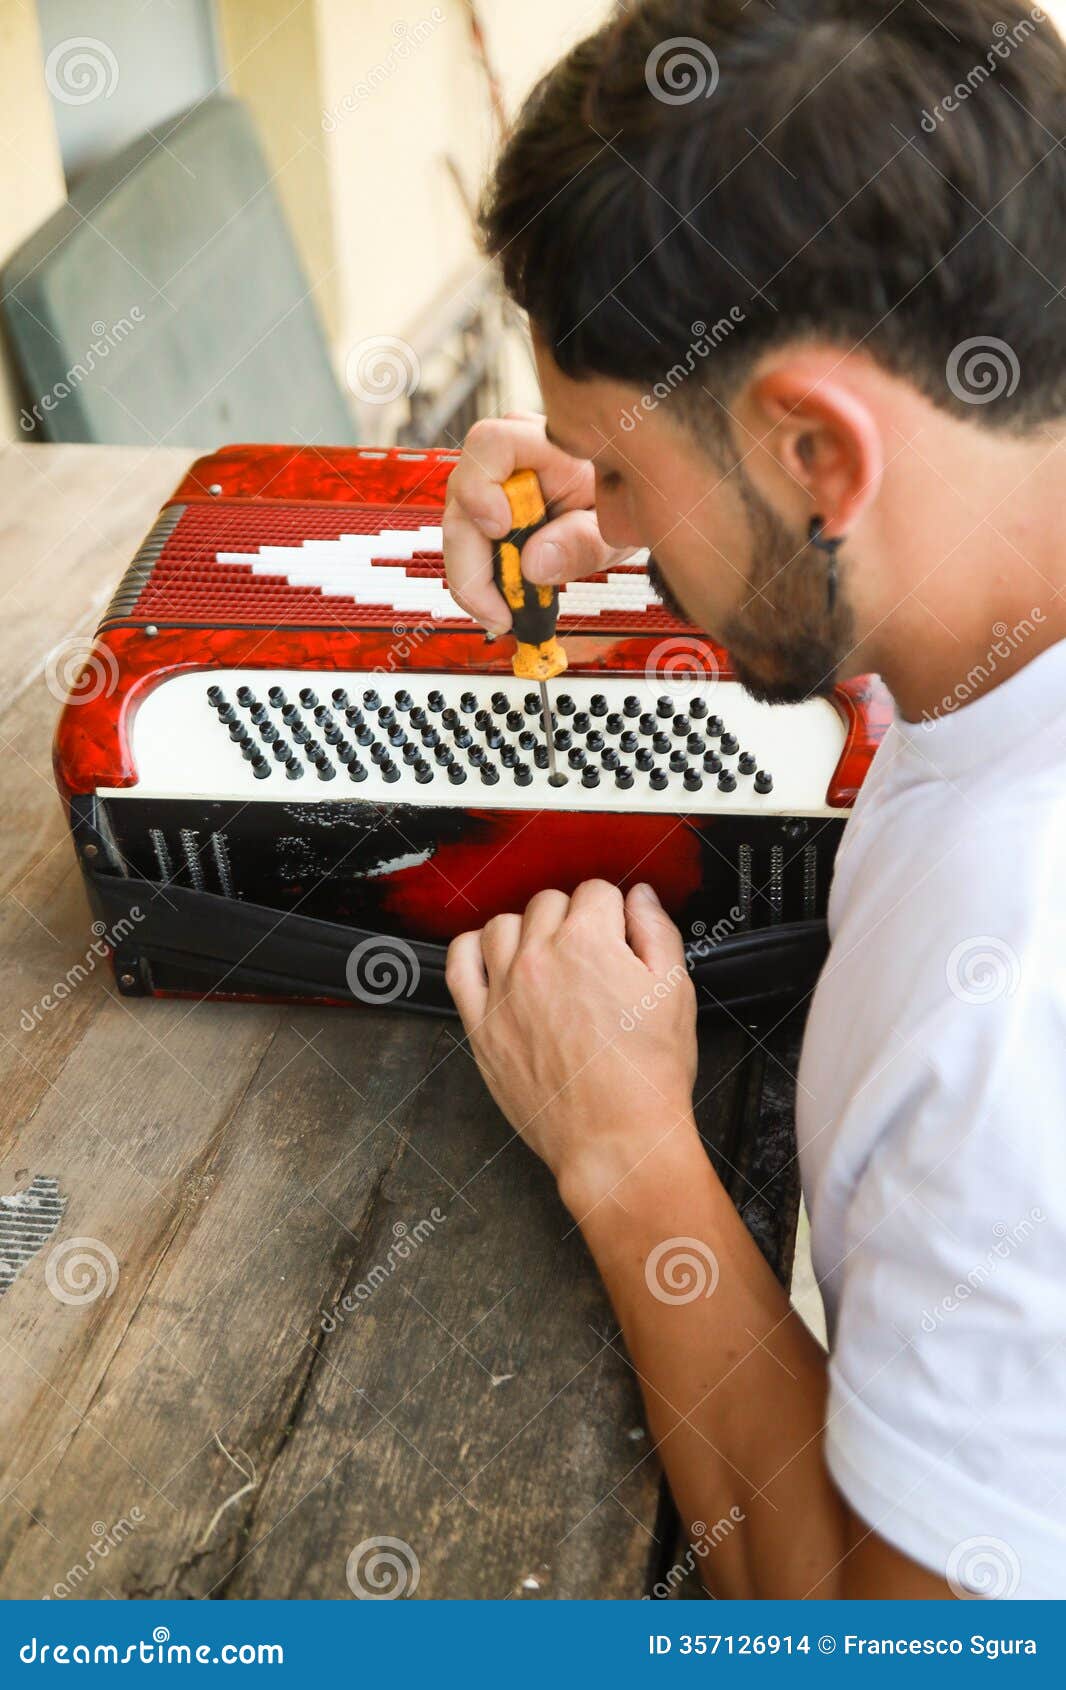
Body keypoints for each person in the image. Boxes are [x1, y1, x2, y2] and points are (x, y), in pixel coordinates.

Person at [442, 0, 1066, 1598]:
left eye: (623, 479)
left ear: (814, 455)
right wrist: (611, 471)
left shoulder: (1005, 1057)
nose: (607, 525)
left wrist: (628, 1151)